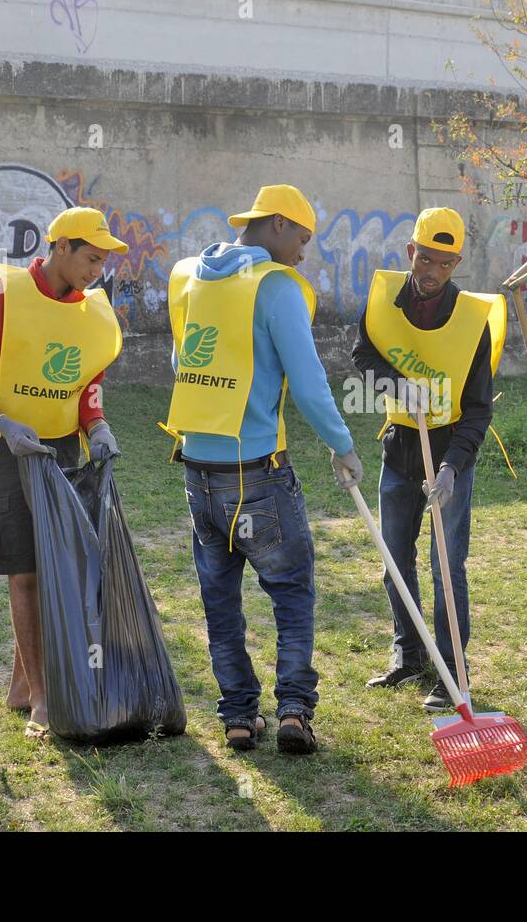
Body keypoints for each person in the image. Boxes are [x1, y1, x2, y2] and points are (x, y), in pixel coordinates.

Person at [160, 184, 362, 754]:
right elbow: (309, 380)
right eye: (300, 238)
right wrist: (342, 445)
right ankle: (294, 710)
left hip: (197, 472)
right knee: (292, 592)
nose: (302, 253)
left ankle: (239, 718)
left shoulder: (189, 277)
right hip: (258, 475)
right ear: (276, 225)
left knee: (220, 601)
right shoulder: (276, 288)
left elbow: (183, 361)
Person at [0, 206, 127, 737]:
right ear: (60, 248)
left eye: (103, 262)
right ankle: (44, 697)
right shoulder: (4, 295)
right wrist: (5, 425)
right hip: (6, 448)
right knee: (24, 572)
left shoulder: (93, 312)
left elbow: (88, 384)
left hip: (60, 452)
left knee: (53, 568)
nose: (97, 270)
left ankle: (21, 683)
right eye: (90, 258)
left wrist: (96, 426)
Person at [350, 207, 505, 710]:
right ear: (410, 252)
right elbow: (362, 357)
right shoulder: (381, 302)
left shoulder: (470, 321)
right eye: (425, 258)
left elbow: (479, 409)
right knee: (395, 560)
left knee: (447, 565)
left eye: (444, 262)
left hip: (448, 456)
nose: (431, 270)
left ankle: (452, 671)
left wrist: (452, 468)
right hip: (399, 448)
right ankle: (409, 654)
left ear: (456, 262)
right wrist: (399, 386)